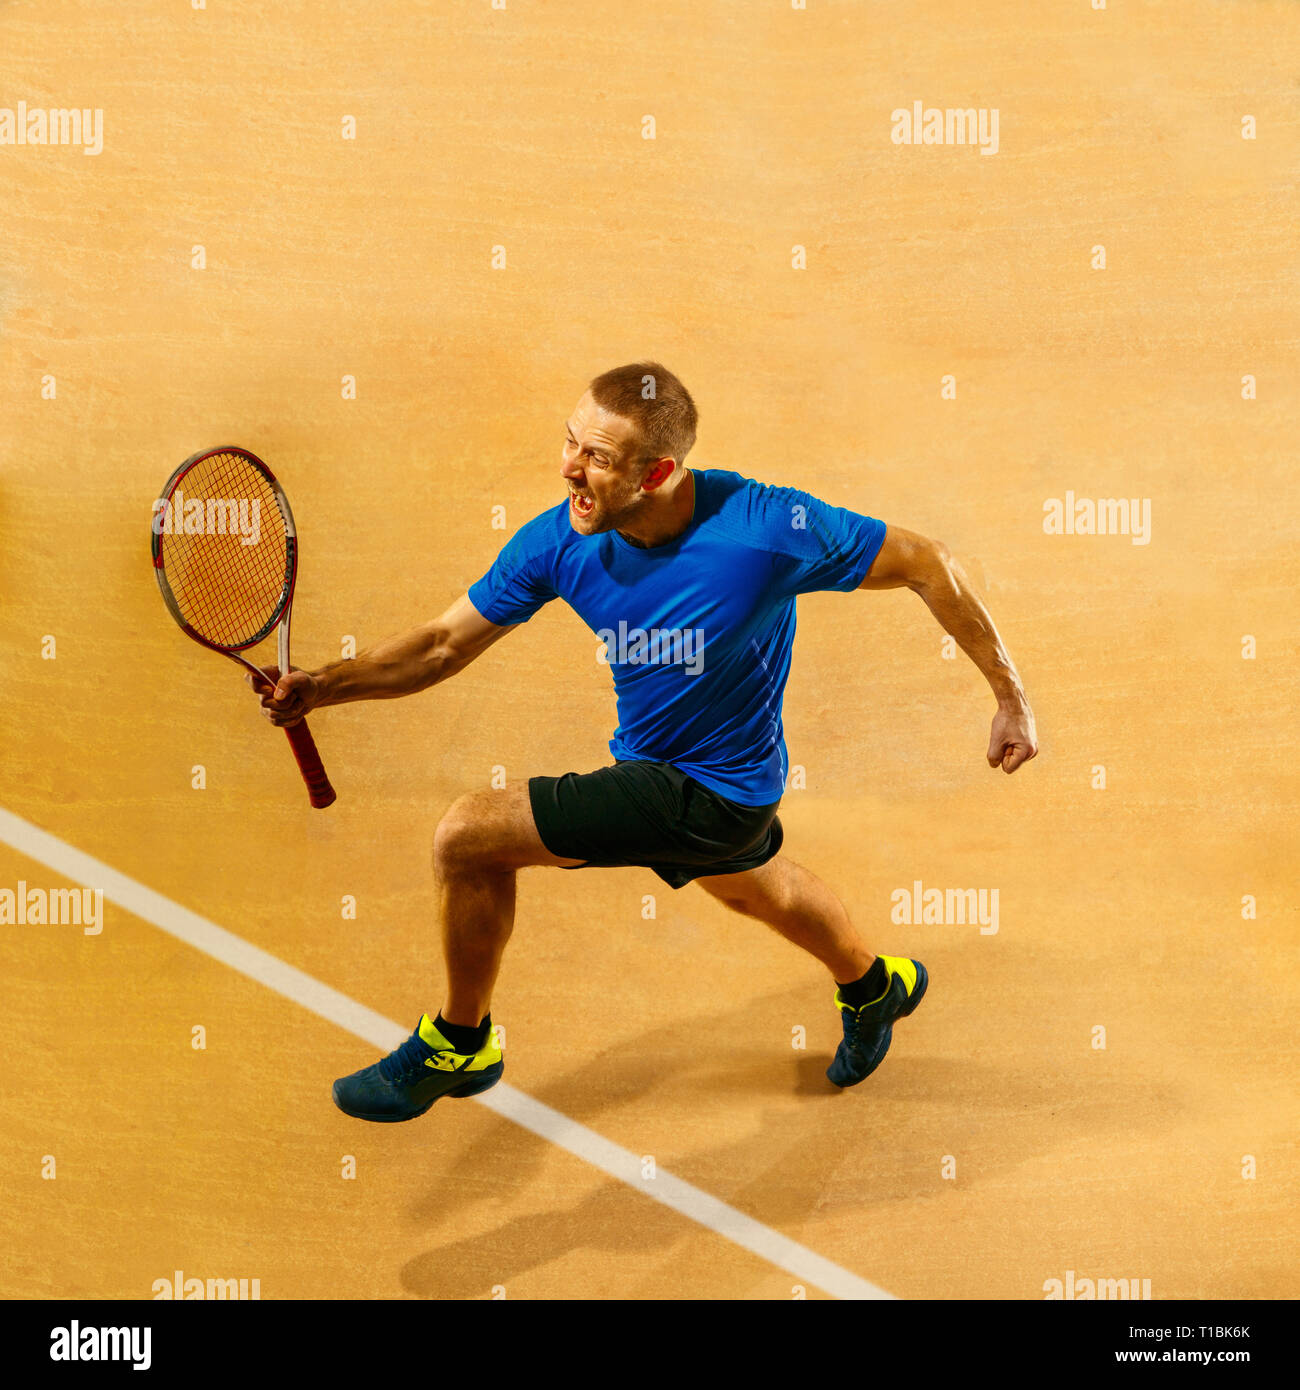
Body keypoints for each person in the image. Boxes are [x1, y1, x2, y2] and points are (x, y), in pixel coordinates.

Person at [249, 362, 1038, 1123]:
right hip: (705, 783)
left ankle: (460, 1044)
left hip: (711, 789)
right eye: (569, 441)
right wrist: (327, 685)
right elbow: (440, 646)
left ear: (658, 473)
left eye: (596, 457)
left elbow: (927, 562)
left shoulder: (767, 529)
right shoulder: (560, 541)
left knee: (467, 837)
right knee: (760, 891)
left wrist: (1010, 698)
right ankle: (876, 987)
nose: (569, 470)